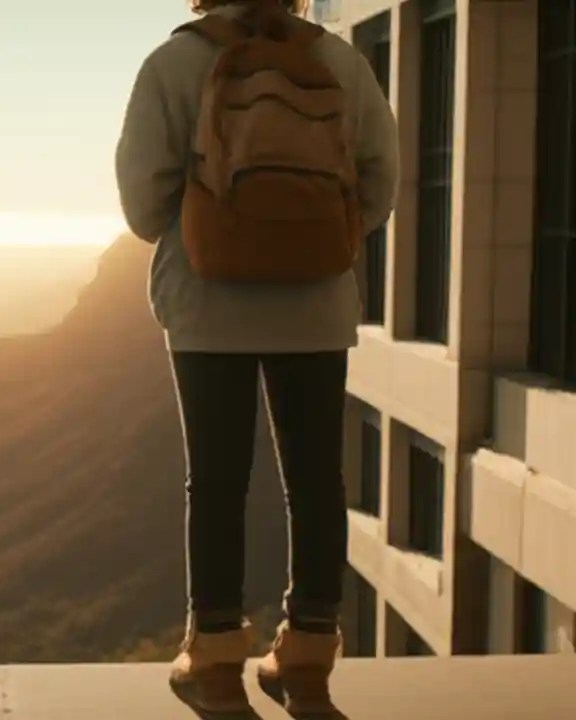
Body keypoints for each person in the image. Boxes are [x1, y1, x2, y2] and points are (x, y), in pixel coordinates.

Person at [115, 0, 398, 714]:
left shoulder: (175, 64)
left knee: (215, 482)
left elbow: (143, 206)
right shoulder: (338, 62)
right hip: (316, 303)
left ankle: (212, 664)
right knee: (316, 481)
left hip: (209, 305)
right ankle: (305, 662)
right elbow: (381, 181)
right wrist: (310, 239)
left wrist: (223, 230)